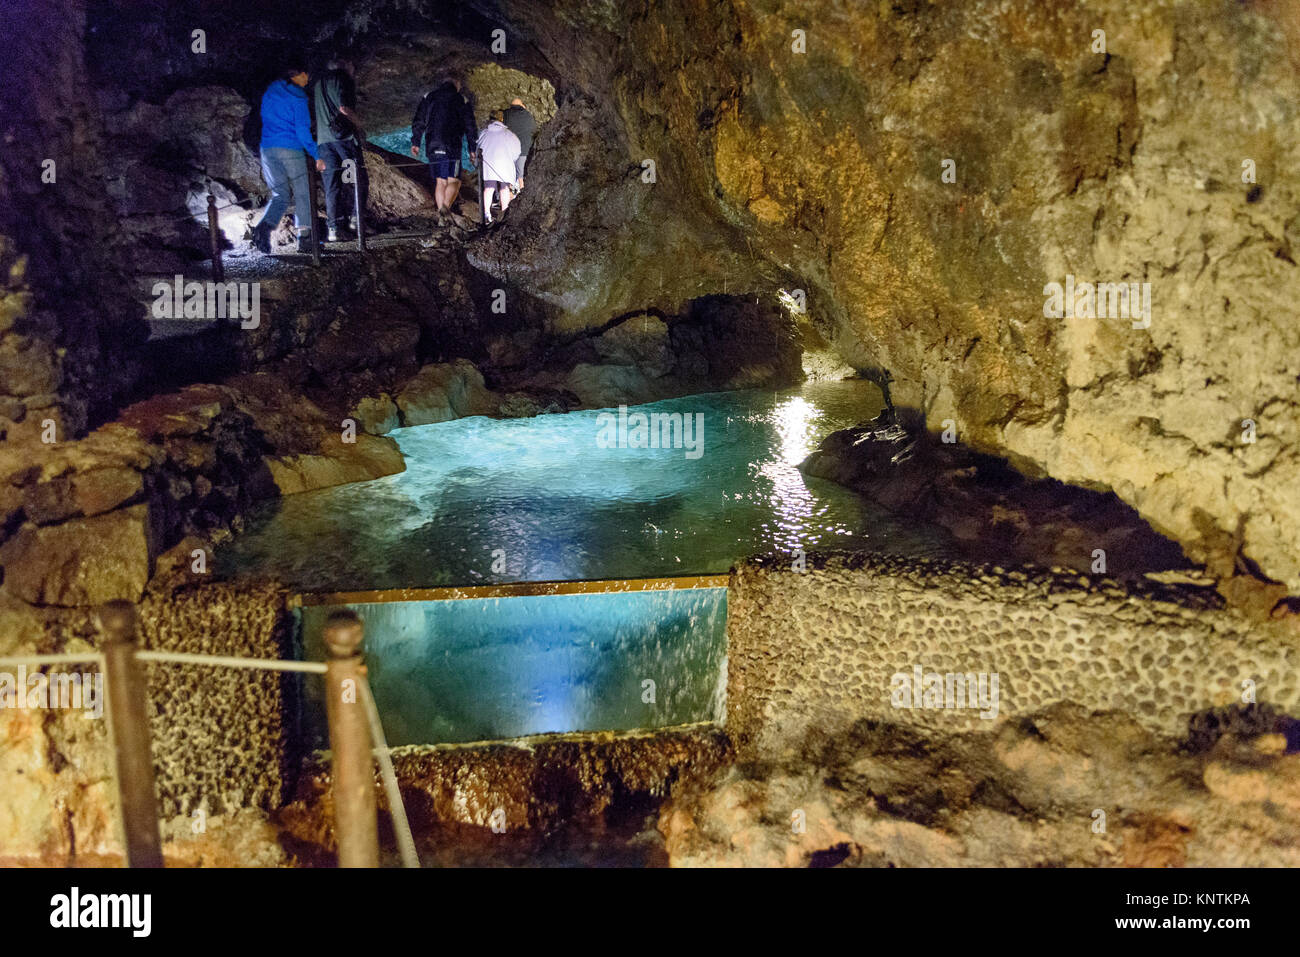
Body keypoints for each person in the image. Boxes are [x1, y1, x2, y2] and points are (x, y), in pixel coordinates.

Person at [252, 63, 324, 254]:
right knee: (303, 193)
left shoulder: (270, 91)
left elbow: (262, 117)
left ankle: (263, 229)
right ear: (298, 75)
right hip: (290, 148)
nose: (307, 79)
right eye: (306, 75)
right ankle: (305, 239)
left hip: (267, 149)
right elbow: (302, 130)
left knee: (280, 195)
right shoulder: (298, 96)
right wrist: (317, 154)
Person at [311, 57, 368, 242]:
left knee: (332, 185)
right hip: (343, 139)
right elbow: (344, 108)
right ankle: (356, 222)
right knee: (358, 180)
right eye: (353, 65)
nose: (354, 69)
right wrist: (360, 125)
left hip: (323, 143)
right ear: (345, 64)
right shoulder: (342, 79)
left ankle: (333, 229)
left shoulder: (319, 83)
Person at [410, 76, 477, 221]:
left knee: (440, 181)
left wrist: (416, 142)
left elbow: (419, 120)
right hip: (451, 145)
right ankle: (445, 211)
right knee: (454, 181)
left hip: (432, 144)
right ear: (456, 84)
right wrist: (473, 148)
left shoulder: (429, 97)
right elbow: (470, 126)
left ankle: (441, 215)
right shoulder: (461, 100)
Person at [476, 113, 521, 224]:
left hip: (488, 165)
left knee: (489, 188)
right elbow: (517, 151)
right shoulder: (509, 134)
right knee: (504, 189)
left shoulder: (484, 133)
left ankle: (486, 213)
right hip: (504, 166)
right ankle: (504, 213)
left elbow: (478, 147)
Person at [501, 97, 535, 188]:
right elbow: (533, 129)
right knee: (521, 175)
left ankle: (510, 194)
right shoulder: (529, 116)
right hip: (524, 150)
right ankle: (521, 194)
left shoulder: (506, 114)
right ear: (522, 105)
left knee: (509, 174)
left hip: (509, 150)